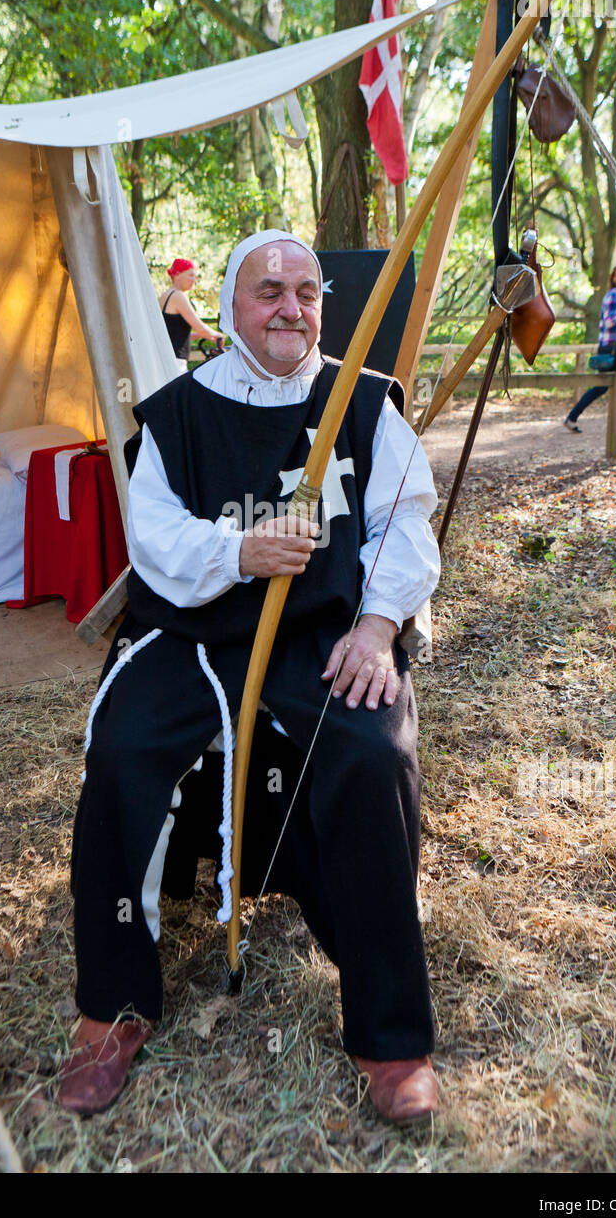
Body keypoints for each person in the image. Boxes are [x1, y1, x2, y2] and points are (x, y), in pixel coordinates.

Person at [56, 230, 442, 1123]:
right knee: (123, 748)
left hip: (325, 633)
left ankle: (392, 1038)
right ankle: (110, 1009)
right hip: (195, 631)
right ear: (230, 307)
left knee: (374, 750)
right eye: (269, 291)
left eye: (306, 292)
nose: (290, 308)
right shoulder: (179, 413)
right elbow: (154, 535)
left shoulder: (364, 402)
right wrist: (238, 552)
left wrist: (378, 626)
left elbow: (403, 521)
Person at [564, 263, 616, 435]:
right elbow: (607, 322)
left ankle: (572, 418)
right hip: (614, 346)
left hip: (614, 345)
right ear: (613, 278)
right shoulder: (613, 295)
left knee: (602, 386)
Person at [158, 257, 223, 374]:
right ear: (178, 275)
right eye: (191, 275)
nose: (194, 280)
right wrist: (217, 335)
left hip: (165, 359)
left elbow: (173, 334)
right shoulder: (177, 296)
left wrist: (202, 335)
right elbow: (199, 326)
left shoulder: (164, 296)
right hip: (176, 363)